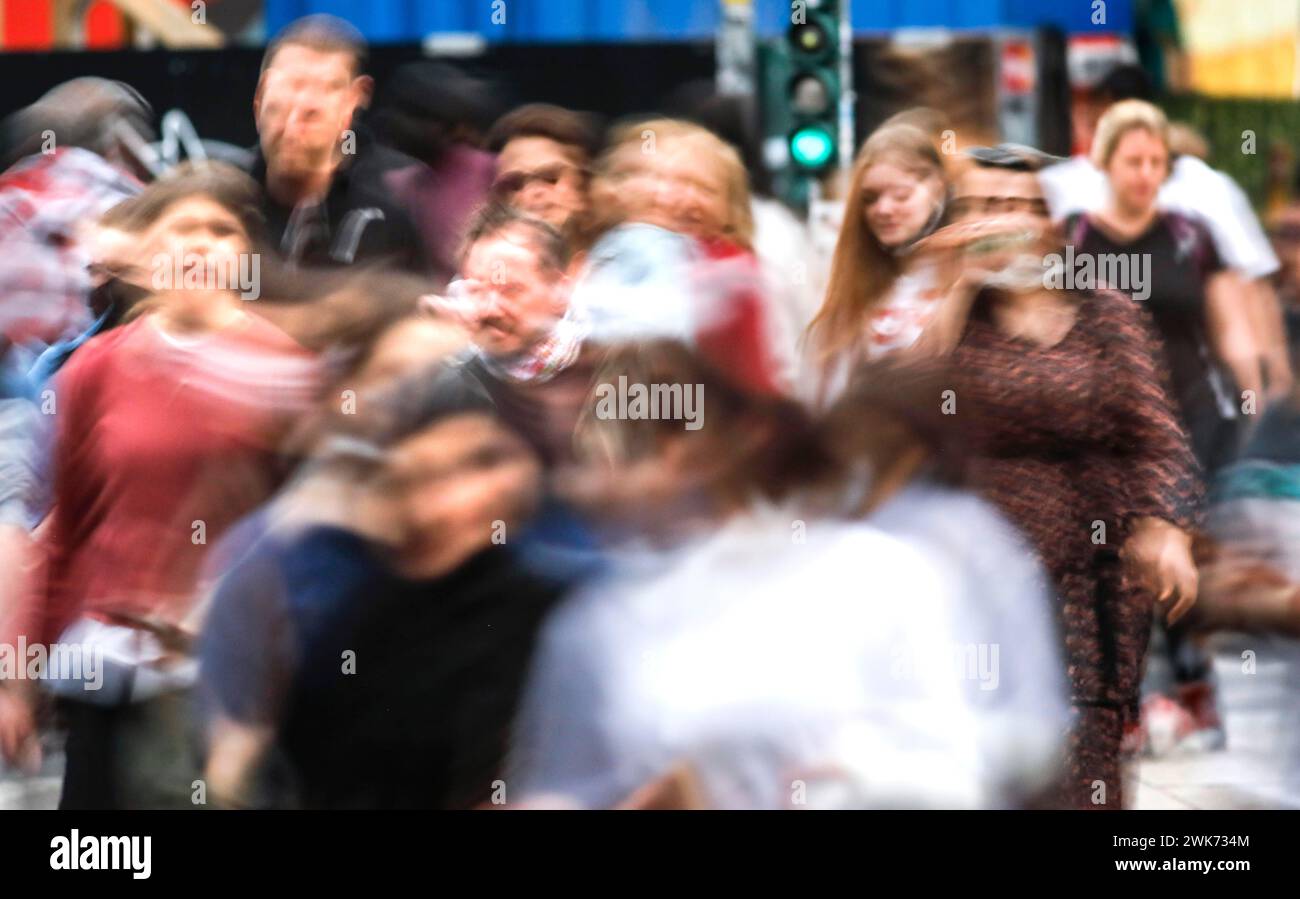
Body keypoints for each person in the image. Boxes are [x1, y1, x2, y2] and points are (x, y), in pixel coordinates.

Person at [507, 343, 1069, 809]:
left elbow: (970, 766)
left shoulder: (876, 570)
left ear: (689, 452)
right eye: (572, 463)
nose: (577, 488)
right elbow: (566, 784)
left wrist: (857, 785)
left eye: (598, 461)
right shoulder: (596, 623)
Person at [0, 162, 321, 807]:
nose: (200, 245)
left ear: (245, 255)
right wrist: (18, 678)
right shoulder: (92, 369)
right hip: (107, 680)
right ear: (146, 255)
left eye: (220, 231)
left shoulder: (288, 370)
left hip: (230, 688)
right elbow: (62, 531)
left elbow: (313, 533)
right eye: (182, 229)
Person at [926, 145, 1202, 809]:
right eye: (985, 206)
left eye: (1021, 206)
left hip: (1094, 580)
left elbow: (1157, 437)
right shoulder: (947, 316)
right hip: (980, 577)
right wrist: (956, 285)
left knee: (1087, 766)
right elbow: (900, 411)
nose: (1005, 221)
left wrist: (1166, 526)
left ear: (1052, 221)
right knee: (988, 767)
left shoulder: (1105, 311)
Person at [249, 15, 426, 271]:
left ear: (352, 103)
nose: (299, 106)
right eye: (286, 91)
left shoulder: (396, 199)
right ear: (259, 102)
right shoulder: (225, 201)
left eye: (324, 90)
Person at [804, 123, 951, 402]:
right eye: (870, 199)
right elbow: (828, 398)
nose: (883, 209)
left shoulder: (965, 276)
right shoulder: (851, 284)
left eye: (901, 195)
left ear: (938, 189)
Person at [373, 62, 500, 289]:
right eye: (399, 114)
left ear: (450, 127)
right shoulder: (395, 184)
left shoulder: (490, 173)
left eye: (417, 117)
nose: (401, 125)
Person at [485, 103, 601, 253]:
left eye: (550, 178)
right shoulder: (479, 264)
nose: (533, 192)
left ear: (586, 183)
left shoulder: (625, 256)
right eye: (515, 185)